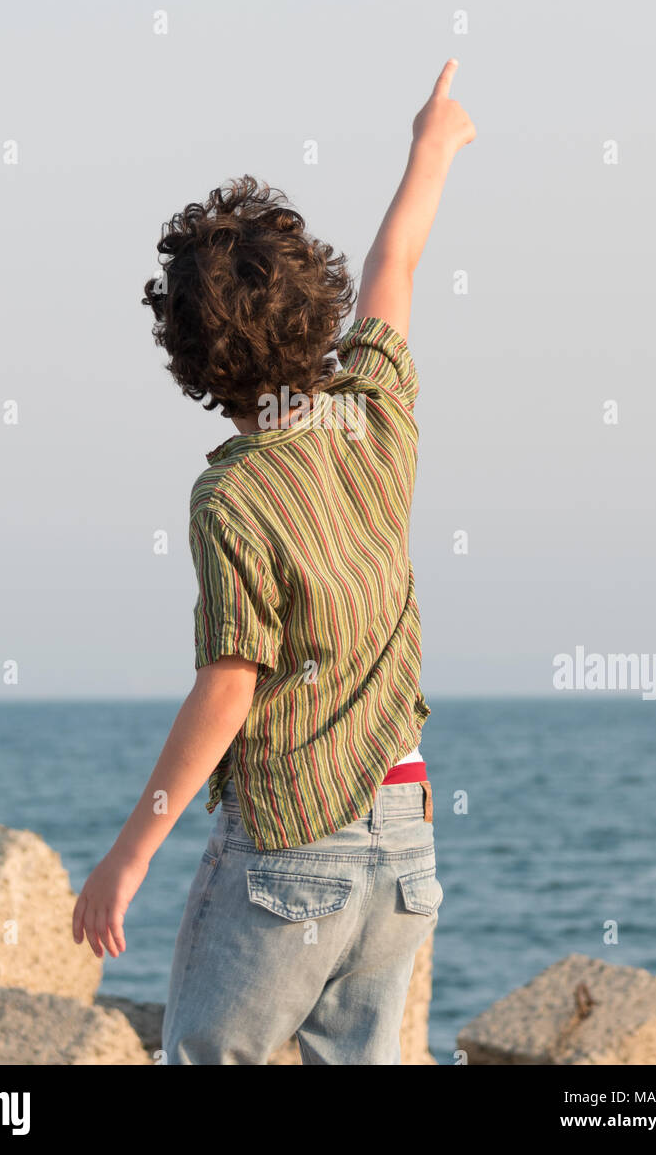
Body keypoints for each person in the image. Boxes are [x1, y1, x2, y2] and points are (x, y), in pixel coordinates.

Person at [72, 59, 476, 1064]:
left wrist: (130, 855)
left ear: (193, 361)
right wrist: (430, 145)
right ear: (315, 304)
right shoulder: (371, 410)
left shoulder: (232, 495)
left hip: (295, 847)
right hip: (405, 834)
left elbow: (227, 689)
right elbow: (398, 266)